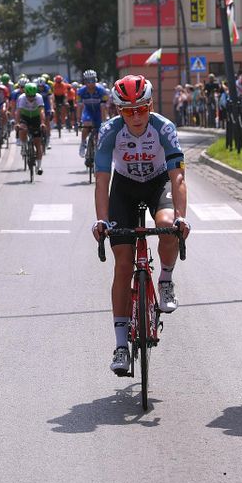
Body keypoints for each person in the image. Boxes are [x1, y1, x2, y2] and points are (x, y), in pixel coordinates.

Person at [90, 75, 189, 374]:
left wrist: (182, 216)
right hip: (125, 188)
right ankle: (121, 346)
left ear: (150, 105)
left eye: (141, 109)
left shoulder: (164, 128)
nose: (135, 116)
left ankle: (166, 279)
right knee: (122, 263)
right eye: (128, 110)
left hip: (157, 183)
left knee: (168, 225)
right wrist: (101, 220)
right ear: (119, 111)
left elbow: (178, 177)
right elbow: (102, 180)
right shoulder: (109, 132)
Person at [15, 82, 47, 173]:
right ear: (25, 94)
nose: (31, 99)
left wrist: (42, 123)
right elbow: (18, 112)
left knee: (38, 143)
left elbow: (41, 112)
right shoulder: (21, 98)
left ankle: (39, 166)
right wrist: (17, 123)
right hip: (25, 117)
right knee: (22, 128)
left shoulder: (39, 97)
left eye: (33, 96)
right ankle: (24, 145)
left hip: (36, 118)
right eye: (29, 96)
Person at [78, 70, 106, 159]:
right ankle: (83, 143)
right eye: (88, 81)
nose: (90, 83)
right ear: (85, 81)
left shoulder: (101, 90)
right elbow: (79, 107)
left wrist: (104, 121)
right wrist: (78, 120)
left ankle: (96, 152)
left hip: (98, 112)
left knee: (98, 134)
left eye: (93, 80)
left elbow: (103, 108)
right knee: (86, 124)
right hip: (88, 111)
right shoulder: (80, 91)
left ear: (96, 80)